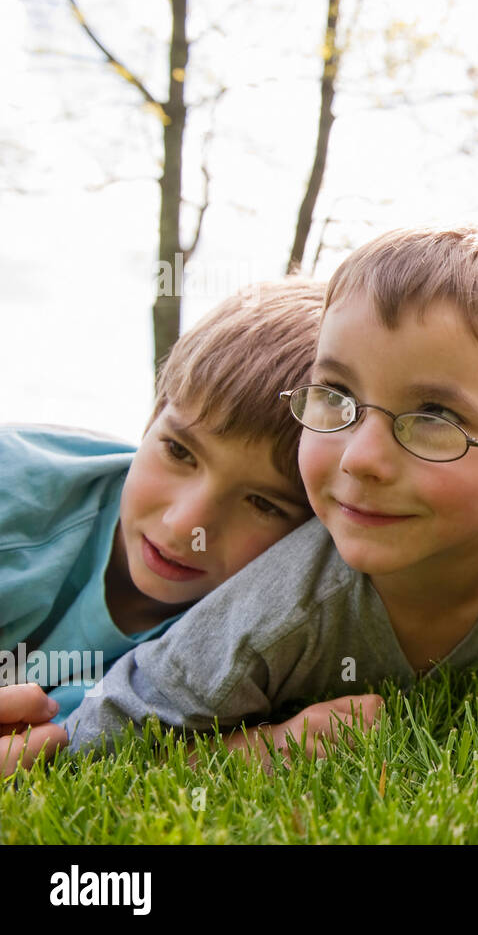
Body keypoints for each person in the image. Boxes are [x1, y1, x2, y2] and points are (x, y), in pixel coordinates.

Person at [61, 225, 478, 765]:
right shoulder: (273, 609)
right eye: (337, 394)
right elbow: (98, 738)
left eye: (435, 416)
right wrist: (251, 751)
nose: (359, 457)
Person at [1, 281, 323, 774]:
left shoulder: (263, 626)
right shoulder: (16, 491)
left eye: (263, 502)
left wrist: (254, 749)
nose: (185, 524)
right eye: (179, 451)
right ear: (152, 417)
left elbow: (70, 750)